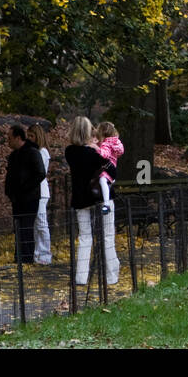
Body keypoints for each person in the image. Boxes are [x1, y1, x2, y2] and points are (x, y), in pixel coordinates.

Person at [65, 116, 118, 287]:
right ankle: (111, 276)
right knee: (108, 236)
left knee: (85, 237)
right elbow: (111, 168)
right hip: (102, 198)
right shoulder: (94, 153)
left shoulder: (70, 152)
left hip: (81, 199)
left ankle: (81, 277)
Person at [4, 125, 46, 265]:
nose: (8, 141)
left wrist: (26, 187)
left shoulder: (32, 152)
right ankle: (19, 257)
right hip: (17, 198)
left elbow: (40, 173)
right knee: (18, 228)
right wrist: (10, 191)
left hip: (29, 197)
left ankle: (27, 258)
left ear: (18, 138)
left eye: (10, 138)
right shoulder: (14, 155)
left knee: (27, 228)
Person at [26, 124, 52, 264]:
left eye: (32, 136)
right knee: (36, 223)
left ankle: (45, 254)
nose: (29, 139)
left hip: (41, 192)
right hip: (34, 191)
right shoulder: (33, 151)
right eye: (28, 136)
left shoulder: (42, 152)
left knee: (41, 223)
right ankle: (37, 254)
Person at [92, 121, 124, 214]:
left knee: (102, 180)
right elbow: (120, 151)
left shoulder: (106, 144)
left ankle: (106, 204)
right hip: (112, 167)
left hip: (106, 168)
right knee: (103, 180)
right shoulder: (115, 142)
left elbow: (105, 155)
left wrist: (96, 148)